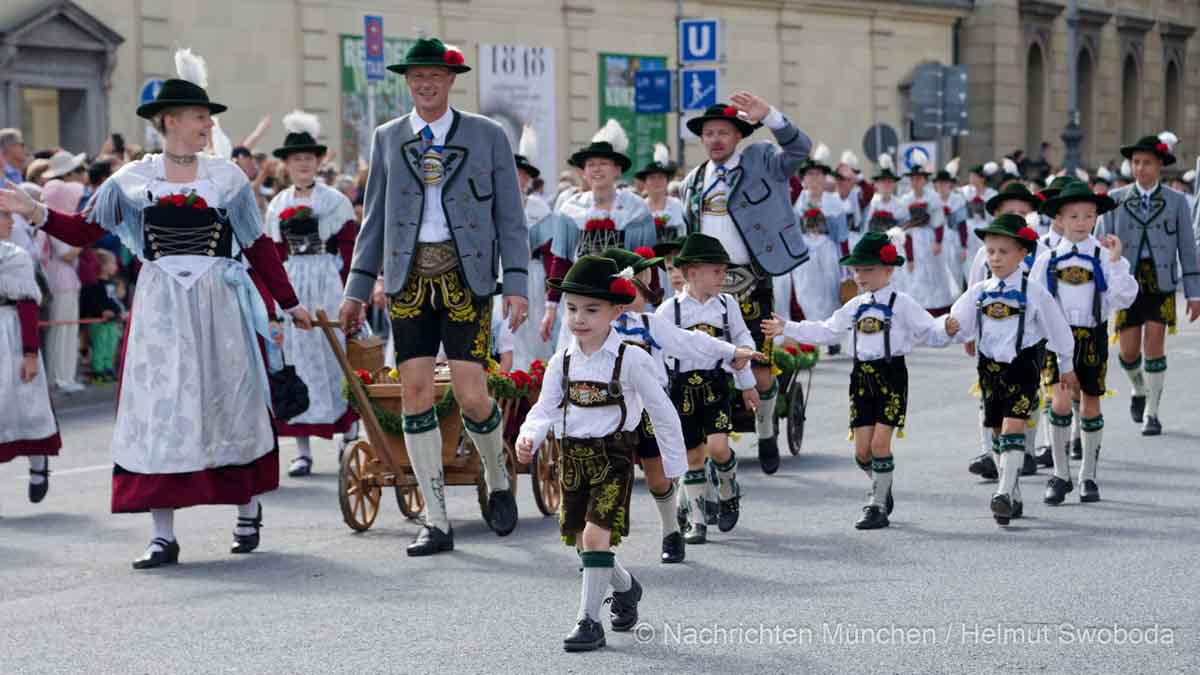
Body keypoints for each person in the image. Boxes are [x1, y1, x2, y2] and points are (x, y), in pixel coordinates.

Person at [0, 48, 312, 568]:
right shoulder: (130, 180)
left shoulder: (227, 179)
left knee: (227, 395)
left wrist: (291, 302)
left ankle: (246, 508)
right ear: (169, 121)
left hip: (218, 301)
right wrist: (32, 210)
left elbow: (257, 246)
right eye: (198, 117)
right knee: (160, 405)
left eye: (208, 118)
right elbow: (83, 230)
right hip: (161, 303)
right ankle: (163, 534)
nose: (206, 126)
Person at [336, 38, 530, 556]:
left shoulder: (487, 135)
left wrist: (515, 281)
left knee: (470, 390)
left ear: (450, 81)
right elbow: (372, 217)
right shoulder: (387, 137)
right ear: (408, 82)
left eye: (435, 77)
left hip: (467, 276)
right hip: (408, 278)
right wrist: (357, 288)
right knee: (415, 391)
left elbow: (510, 214)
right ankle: (436, 517)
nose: (425, 85)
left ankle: (497, 473)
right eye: (417, 77)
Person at [516, 256, 686, 652]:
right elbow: (545, 408)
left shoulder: (631, 358)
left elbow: (662, 411)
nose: (579, 318)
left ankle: (588, 621)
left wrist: (674, 464)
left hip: (614, 459)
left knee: (595, 539)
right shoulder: (563, 360)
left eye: (591, 309)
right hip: (572, 458)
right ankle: (626, 589)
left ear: (615, 311)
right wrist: (530, 436)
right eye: (572, 308)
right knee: (581, 542)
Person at [763, 232, 957, 528]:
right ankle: (882, 484)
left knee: (880, 445)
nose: (861, 276)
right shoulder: (854, 305)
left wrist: (947, 328)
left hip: (891, 376)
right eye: (857, 270)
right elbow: (827, 330)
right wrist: (787, 327)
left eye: (869, 269)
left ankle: (876, 505)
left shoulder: (901, 303)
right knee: (862, 452)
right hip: (861, 378)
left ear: (888, 270)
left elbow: (929, 330)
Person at [677, 94, 813, 475]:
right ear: (701, 139)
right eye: (709, 133)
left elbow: (800, 149)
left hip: (752, 277)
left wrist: (769, 117)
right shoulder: (692, 182)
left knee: (760, 366)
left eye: (723, 132)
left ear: (738, 136)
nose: (716, 139)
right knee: (707, 361)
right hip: (707, 285)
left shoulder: (762, 161)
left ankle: (766, 428)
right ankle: (708, 438)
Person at [601, 246, 761, 562]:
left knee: (658, 475)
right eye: (635, 286)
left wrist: (731, 352)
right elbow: (566, 361)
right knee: (603, 475)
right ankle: (595, 547)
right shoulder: (591, 323)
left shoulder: (648, 322)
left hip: (649, 404)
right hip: (605, 410)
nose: (642, 291)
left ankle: (671, 530)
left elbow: (688, 342)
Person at [939, 214, 1076, 526]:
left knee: (1015, 425)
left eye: (1003, 251)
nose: (995, 258)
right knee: (999, 431)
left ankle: (1001, 492)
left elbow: (1059, 331)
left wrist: (1066, 367)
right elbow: (958, 324)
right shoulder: (979, 291)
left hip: (1023, 363)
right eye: (991, 251)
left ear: (1022, 254)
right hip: (989, 367)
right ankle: (1012, 492)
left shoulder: (1035, 292)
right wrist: (945, 327)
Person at [263, 110, 359, 477]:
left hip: (326, 281)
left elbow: (349, 251)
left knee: (335, 355)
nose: (302, 165)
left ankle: (348, 435)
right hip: (292, 285)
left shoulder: (334, 201)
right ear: (286, 165)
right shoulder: (277, 204)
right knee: (296, 361)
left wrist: (354, 294)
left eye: (308, 159)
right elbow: (272, 254)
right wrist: (276, 300)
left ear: (318, 162)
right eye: (296, 160)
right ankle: (301, 449)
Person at [1030, 182, 1137, 504]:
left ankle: (1088, 475)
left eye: (1088, 216)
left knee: (1090, 403)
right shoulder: (1047, 258)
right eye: (1073, 215)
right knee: (1059, 403)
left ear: (1096, 219)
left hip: (1091, 337)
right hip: (1057, 337)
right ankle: (1060, 475)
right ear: (1059, 219)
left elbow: (1123, 297)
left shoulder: (1104, 256)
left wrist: (1117, 262)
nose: (1081, 222)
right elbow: (1035, 300)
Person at [655, 234, 758, 543]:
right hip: (682, 388)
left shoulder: (727, 305)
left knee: (717, 447)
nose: (723, 277)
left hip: (715, 384)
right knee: (692, 456)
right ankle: (697, 521)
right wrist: (658, 393)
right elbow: (657, 355)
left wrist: (745, 376)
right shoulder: (668, 311)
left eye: (723, 270)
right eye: (716, 271)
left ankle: (728, 490)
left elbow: (743, 338)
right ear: (692, 272)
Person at [1096, 132, 1200, 436]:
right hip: (1126, 281)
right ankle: (1138, 389)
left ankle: (1152, 413)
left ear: (1159, 166)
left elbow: (1187, 250)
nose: (1140, 168)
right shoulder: (1115, 201)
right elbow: (1102, 249)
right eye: (1136, 162)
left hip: (1161, 280)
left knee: (1154, 344)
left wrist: (1195, 295)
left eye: (1147, 163)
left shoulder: (1177, 201)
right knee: (1128, 352)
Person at [540, 120, 654, 350]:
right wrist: (550, 308)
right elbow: (560, 261)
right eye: (591, 165)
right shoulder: (570, 209)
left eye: (603, 163)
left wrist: (652, 303)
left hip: (621, 299)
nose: (597, 169)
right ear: (583, 172)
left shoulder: (637, 210)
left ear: (617, 170)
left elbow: (647, 261)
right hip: (580, 298)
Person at [0, 206, 60, 506]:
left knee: (27, 404)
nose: (12, 222)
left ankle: (38, 465)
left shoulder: (15, 257)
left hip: (9, 332)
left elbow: (26, 306)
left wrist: (30, 353)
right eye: (5, 216)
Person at [785, 143, 849, 352]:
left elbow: (841, 236)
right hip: (805, 253)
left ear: (824, 178)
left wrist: (846, 263)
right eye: (810, 175)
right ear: (804, 179)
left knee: (829, 293)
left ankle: (831, 338)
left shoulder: (833, 202)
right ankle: (809, 339)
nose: (814, 179)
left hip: (827, 250)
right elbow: (793, 229)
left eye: (818, 175)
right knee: (806, 292)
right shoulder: (800, 201)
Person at [513, 124, 555, 371]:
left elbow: (551, 250)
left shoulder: (540, 208)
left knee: (533, 332)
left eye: (520, 173)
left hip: (533, 273)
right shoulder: (491, 205)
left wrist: (552, 285)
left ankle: (535, 376)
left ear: (528, 178)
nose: (515, 177)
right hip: (501, 274)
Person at [39, 180, 85, 392]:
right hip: (59, 280)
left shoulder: (59, 222)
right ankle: (59, 377)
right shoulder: (55, 225)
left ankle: (67, 375)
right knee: (61, 330)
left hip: (66, 280)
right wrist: (82, 241)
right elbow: (66, 253)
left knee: (68, 329)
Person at [898, 148, 956, 316]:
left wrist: (938, 241)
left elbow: (938, 221)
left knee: (932, 272)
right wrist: (908, 255)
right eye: (913, 179)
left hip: (927, 237)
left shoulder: (932, 197)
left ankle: (935, 306)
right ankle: (915, 307)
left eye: (919, 179)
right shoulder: (905, 199)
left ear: (924, 180)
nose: (915, 182)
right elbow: (904, 227)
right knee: (913, 273)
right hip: (911, 238)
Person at [78, 248, 126, 382]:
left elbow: (112, 300)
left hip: (112, 321)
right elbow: (93, 302)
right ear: (103, 266)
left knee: (111, 345)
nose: (116, 267)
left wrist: (117, 311)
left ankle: (108, 368)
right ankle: (98, 370)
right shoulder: (94, 284)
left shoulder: (111, 283)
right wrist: (101, 311)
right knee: (100, 346)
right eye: (113, 263)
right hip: (99, 321)